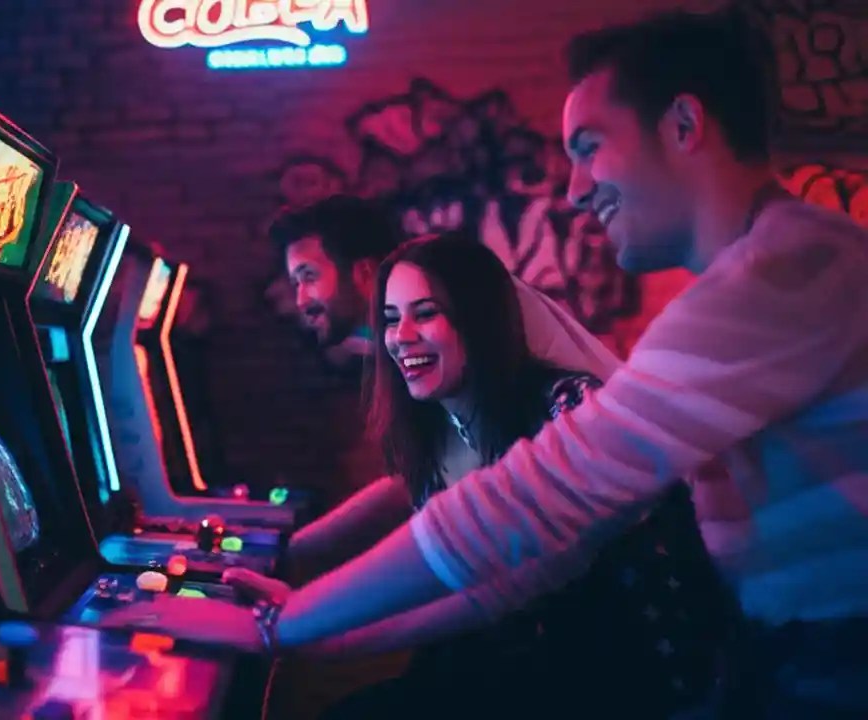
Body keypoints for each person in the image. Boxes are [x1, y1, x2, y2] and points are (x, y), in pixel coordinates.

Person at [105, 10, 868, 717]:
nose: (573, 190)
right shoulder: (766, 276)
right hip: (773, 654)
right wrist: (301, 621)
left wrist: (284, 621)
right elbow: (507, 545)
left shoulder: (787, 271)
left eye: (588, 147)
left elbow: (530, 500)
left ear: (683, 125)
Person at [257, 234, 724, 717]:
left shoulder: (569, 405)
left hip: (624, 676)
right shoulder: (442, 420)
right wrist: (304, 611)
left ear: (478, 320)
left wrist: (303, 627)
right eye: (392, 320)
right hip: (526, 659)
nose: (401, 337)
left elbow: (499, 589)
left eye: (427, 312)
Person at [271, 194, 619, 577]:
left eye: (309, 277)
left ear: (365, 273)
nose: (300, 298)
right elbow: (429, 482)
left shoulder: (487, 321)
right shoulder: (405, 350)